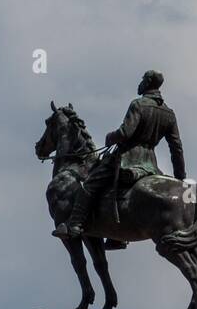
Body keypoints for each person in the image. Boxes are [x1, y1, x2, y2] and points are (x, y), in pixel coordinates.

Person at [54, 70, 186, 238]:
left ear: (148, 82)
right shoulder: (169, 113)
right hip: (151, 165)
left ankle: (75, 225)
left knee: (89, 185)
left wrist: (110, 137)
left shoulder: (138, 105)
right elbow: (176, 147)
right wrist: (180, 176)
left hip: (127, 159)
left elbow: (125, 133)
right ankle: (117, 239)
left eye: (143, 79)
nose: (140, 82)